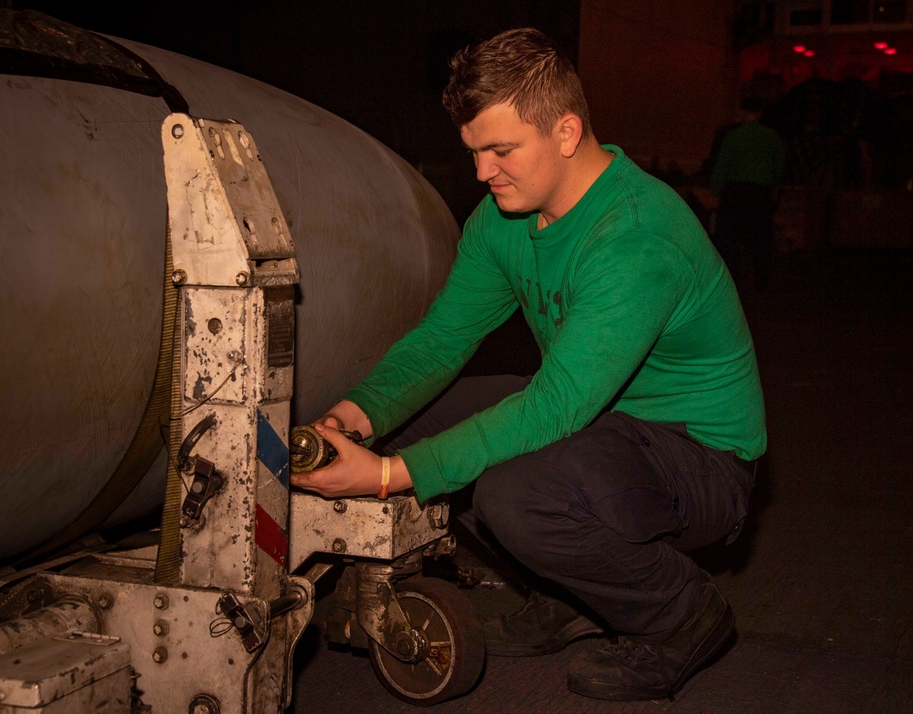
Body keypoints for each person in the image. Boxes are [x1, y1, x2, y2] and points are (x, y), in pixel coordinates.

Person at [291, 27, 765, 702]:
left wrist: (392, 477)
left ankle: (682, 617)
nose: (484, 172)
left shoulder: (635, 238)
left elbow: (554, 408)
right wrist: (354, 419)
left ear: (566, 132)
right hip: (601, 420)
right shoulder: (504, 220)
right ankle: (572, 592)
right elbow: (442, 341)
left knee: (515, 493)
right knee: (417, 432)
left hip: (702, 457)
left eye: (501, 150)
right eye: (475, 152)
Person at [710, 97, 785, 289]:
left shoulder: (734, 136)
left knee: (729, 237)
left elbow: (722, 166)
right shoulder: (771, 137)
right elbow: (779, 167)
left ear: (743, 111)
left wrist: (716, 191)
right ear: (760, 112)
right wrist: (775, 190)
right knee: (759, 236)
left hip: (735, 192)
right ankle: (760, 277)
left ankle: (733, 277)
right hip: (760, 192)